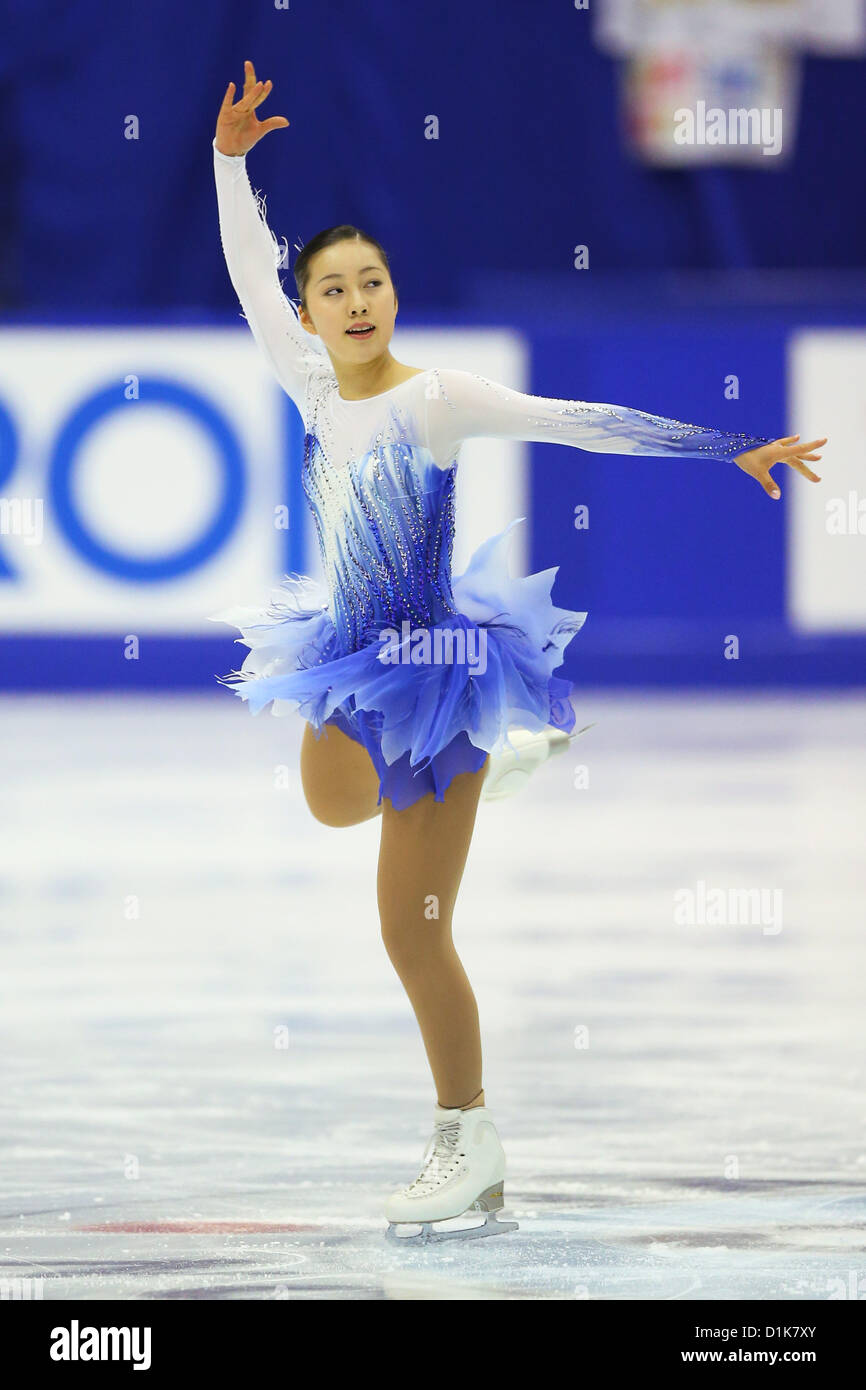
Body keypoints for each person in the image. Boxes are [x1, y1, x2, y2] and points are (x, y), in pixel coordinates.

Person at [208, 61, 826, 1244]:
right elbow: (247, 271)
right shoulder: (307, 382)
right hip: (349, 656)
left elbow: (577, 424)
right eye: (331, 288)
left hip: (437, 675)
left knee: (410, 931)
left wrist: (728, 447)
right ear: (308, 312)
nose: (354, 302)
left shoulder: (434, 398)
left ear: (393, 297)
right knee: (328, 800)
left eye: (371, 282)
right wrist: (230, 163)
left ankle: (467, 1137)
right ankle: (512, 753)